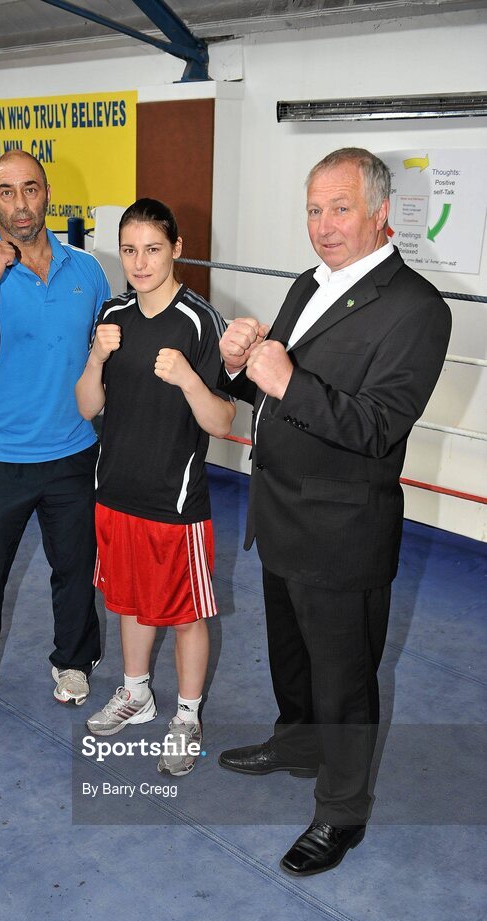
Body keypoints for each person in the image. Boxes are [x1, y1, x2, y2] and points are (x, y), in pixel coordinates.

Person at [217, 148, 451, 874]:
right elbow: (273, 395)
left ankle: (341, 812)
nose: (322, 225)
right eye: (314, 209)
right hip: (280, 511)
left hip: (343, 528)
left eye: (339, 207)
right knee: (291, 658)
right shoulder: (307, 283)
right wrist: (236, 365)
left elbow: (379, 427)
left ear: (380, 212)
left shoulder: (417, 308)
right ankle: (295, 744)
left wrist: (282, 378)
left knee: (344, 678)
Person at [0, 150, 110, 728]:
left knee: (75, 567)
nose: (19, 204)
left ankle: (73, 660)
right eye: (6, 192)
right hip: (0, 455)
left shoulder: (87, 271)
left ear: (47, 194)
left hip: (72, 449)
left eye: (30, 189)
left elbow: (101, 358)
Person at [76, 198, 235, 776]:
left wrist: (190, 377)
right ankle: (136, 693)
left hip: (176, 501)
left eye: (153, 249)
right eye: (129, 250)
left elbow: (222, 421)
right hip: (115, 491)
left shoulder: (199, 322)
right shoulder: (113, 315)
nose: (140, 263)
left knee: (187, 612)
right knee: (128, 600)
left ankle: (188, 712)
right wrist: (95, 357)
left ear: (177, 250)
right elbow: (86, 406)